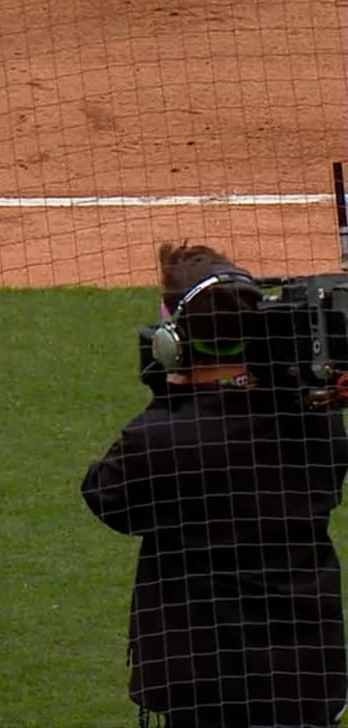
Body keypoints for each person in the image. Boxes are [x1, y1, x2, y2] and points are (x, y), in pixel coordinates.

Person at [82, 241, 348, 728]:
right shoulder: (317, 422)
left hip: (205, 684)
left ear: (174, 340)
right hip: (305, 675)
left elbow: (107, 497)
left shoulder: (161, 437)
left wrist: (168, 399)